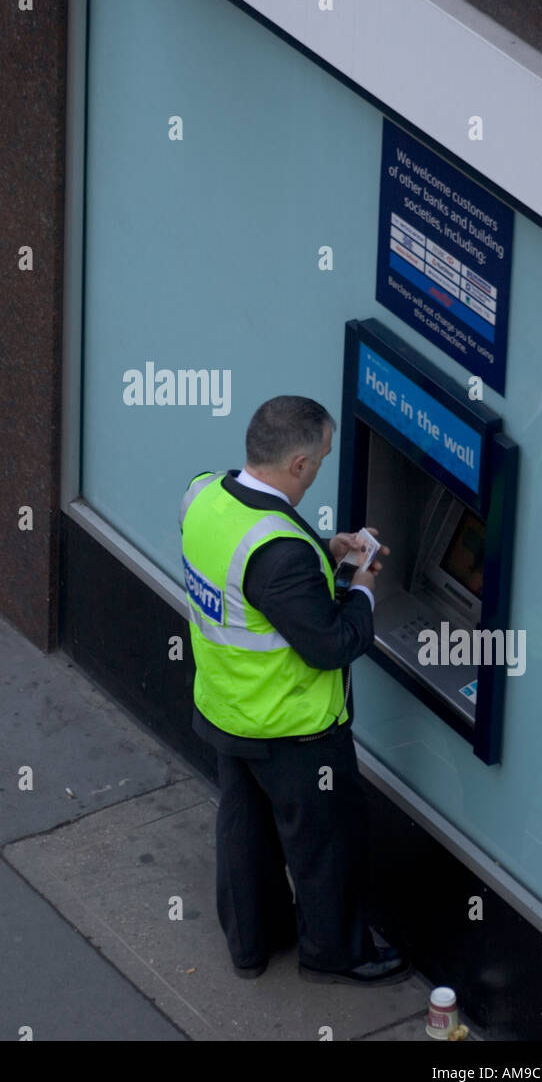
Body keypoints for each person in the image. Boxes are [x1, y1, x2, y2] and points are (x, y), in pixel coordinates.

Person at [179, 395, 412, 985]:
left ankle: (252, 946)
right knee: (326, 846)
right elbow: (332, 644)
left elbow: (255, 582)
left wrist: (324, 551)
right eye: (324, 457)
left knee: (244, 831)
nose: (322, 468)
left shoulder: (203, 493)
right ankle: (335, 954)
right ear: (300, 464)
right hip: (293, 730)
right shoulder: (280, 553)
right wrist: (360, 585)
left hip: (226, 707)